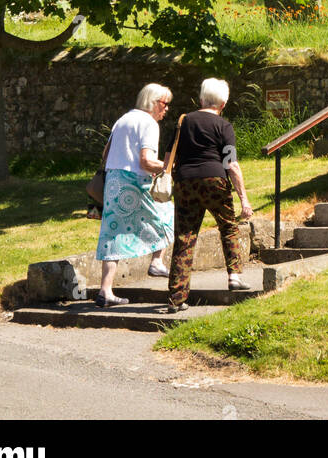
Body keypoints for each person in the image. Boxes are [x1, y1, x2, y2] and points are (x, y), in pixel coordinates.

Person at [166, 77, 253, 312]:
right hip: (215, 179)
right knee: (228, 227)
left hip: (185, 181)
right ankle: (234, 277)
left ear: (201, 98)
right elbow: (231, 164)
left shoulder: (183, 121)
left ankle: (176, 297)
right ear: (223, 104)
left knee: (185, 237)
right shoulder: (223, 126)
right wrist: (243, 197)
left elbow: (168, 158)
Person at [94, 83, 175, 307]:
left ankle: (105, 291)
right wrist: (169, 168)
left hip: (113, 182)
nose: (166, 109)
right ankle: (157, 262)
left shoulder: (123, 119)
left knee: (113, 234)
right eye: (164, 103)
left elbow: (106, 153)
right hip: (134, 182)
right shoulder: (148, 123)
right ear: (152, 102)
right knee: (167, 213)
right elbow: (146, 161)